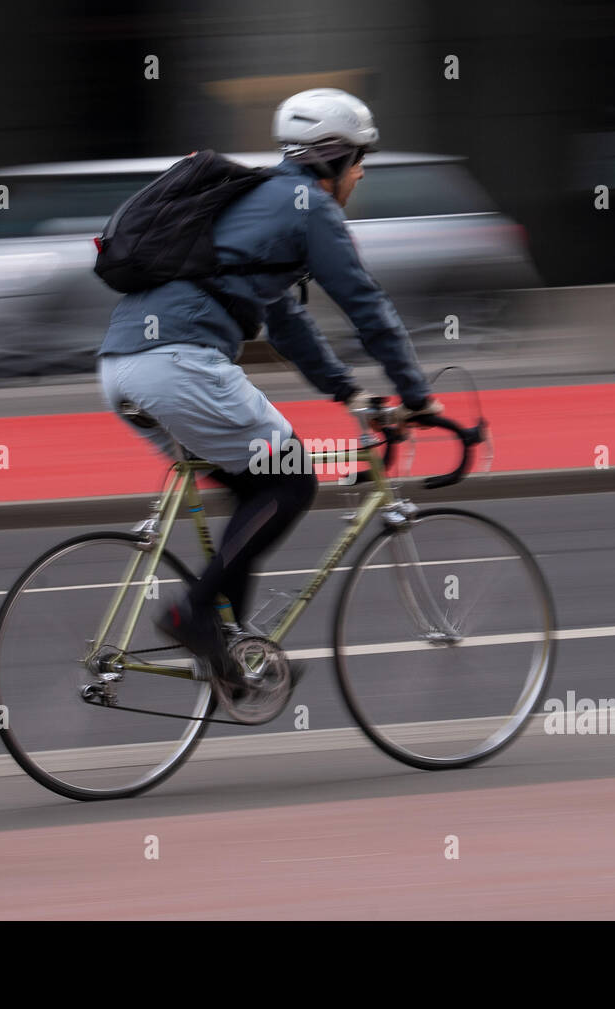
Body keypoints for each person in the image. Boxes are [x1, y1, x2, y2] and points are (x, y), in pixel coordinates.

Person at [96, 87, 443, 689]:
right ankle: (195, 614)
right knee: (292, 478)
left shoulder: (259, 198)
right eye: (360, 159)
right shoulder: (311, 206)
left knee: (257, 484)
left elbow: (288, 323)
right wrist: (416, 396)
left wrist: (348, 392)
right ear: (332, 157)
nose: (361, 174)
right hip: (180, 363)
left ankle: (229, 650)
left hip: (121, 366)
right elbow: (365, 302)